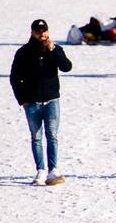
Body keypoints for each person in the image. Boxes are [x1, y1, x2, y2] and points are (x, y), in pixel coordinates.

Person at [9, 18, 73, 186]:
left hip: (52, 101)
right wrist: (22, 100)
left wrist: (54, 52)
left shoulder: (55, 49)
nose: (42, 34)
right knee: (36, 137)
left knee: (52, 136)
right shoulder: (23, 52)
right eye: (38, 31)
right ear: (32, 32)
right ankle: (41, 170)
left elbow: (67, 67)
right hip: (32, 103)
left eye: (44, 31)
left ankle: (53, 169)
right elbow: (15, 78)